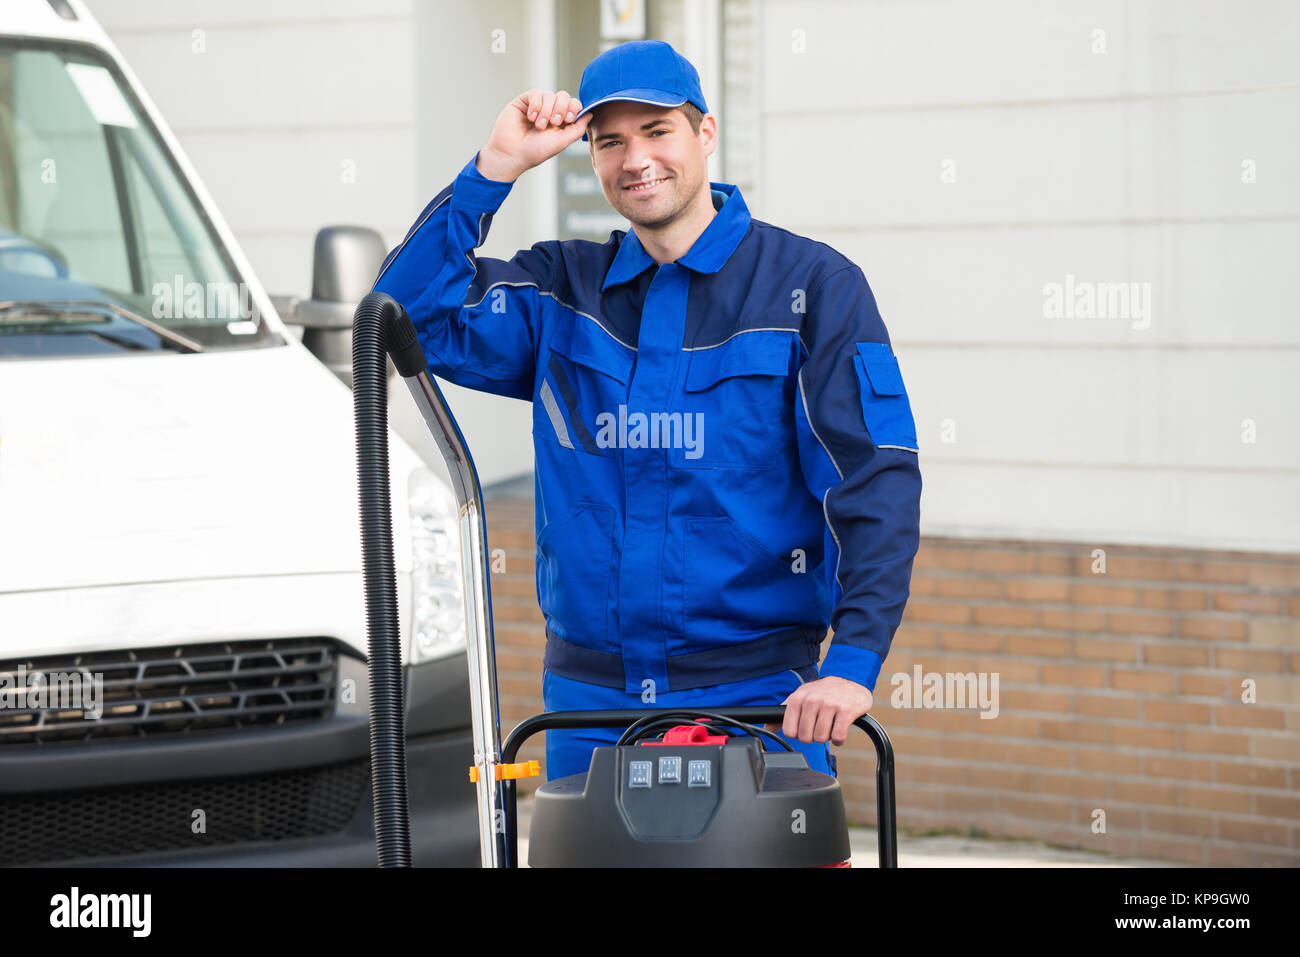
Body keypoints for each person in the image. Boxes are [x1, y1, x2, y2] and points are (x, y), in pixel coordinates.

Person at [373, 39, 922, 781]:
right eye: (610, 141)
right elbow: (404, 315)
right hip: (587, 707)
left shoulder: (812, 288)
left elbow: (876, 480)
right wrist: (495, 167)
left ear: (706, 134)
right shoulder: (562, 289)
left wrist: (853, 662)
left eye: (657, 131)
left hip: (758, 700)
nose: (635, 160)